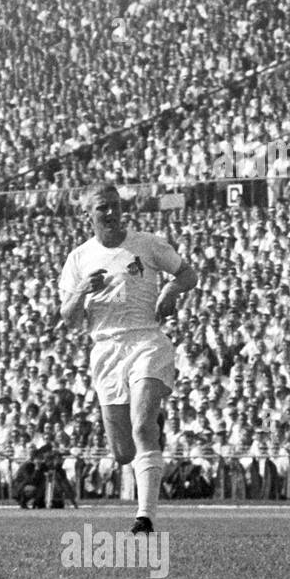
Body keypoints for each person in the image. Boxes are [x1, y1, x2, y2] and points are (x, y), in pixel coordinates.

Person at [58, 184, 200, 533]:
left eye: (115, 206)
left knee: (141, 426)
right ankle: (148, 432)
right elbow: (69, 318)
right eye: (102, 208)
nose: (110, 213)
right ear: (87, 215)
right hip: (105, 349)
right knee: (123, 451)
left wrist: (169, 291)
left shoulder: (147, 244)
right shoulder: (79, 258)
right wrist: (80, 292)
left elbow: (188, 273)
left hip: (146, 340)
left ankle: (145, 517)